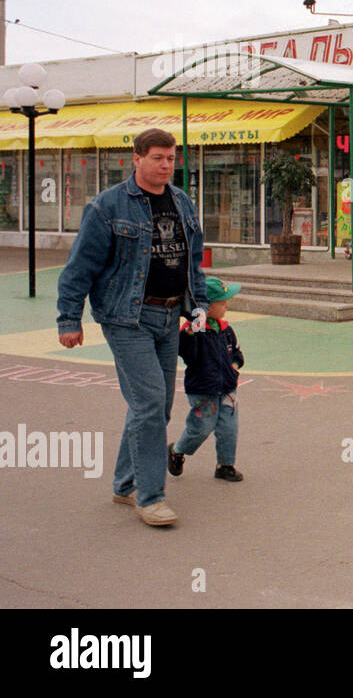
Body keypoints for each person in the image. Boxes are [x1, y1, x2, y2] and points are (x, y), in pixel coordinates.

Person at [56, 128, 208, 527]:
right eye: (158, 157)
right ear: (136, 159)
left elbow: (192, 262)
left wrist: (199, 307)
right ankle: (150, 496)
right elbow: (79, 269)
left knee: (156, 406)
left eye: (171, 158)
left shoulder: (182, 202)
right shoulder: (108, 206)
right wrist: (69, 319)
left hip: (170, 315)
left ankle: (124, 485)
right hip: (127, 318)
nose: (166, 165)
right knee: (149, 404)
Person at [168, 276, 245, 482]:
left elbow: (237, 354)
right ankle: (177, 450)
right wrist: (191, 332)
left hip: (228, 388)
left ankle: (225, 465)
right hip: (203, 389)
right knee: (201, 427)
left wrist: (234, 367)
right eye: (222, 302)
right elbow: (187, 354)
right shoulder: (192, 332)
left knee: (229, 428)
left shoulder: (226, 329)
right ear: (207, 306)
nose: (226, 305)